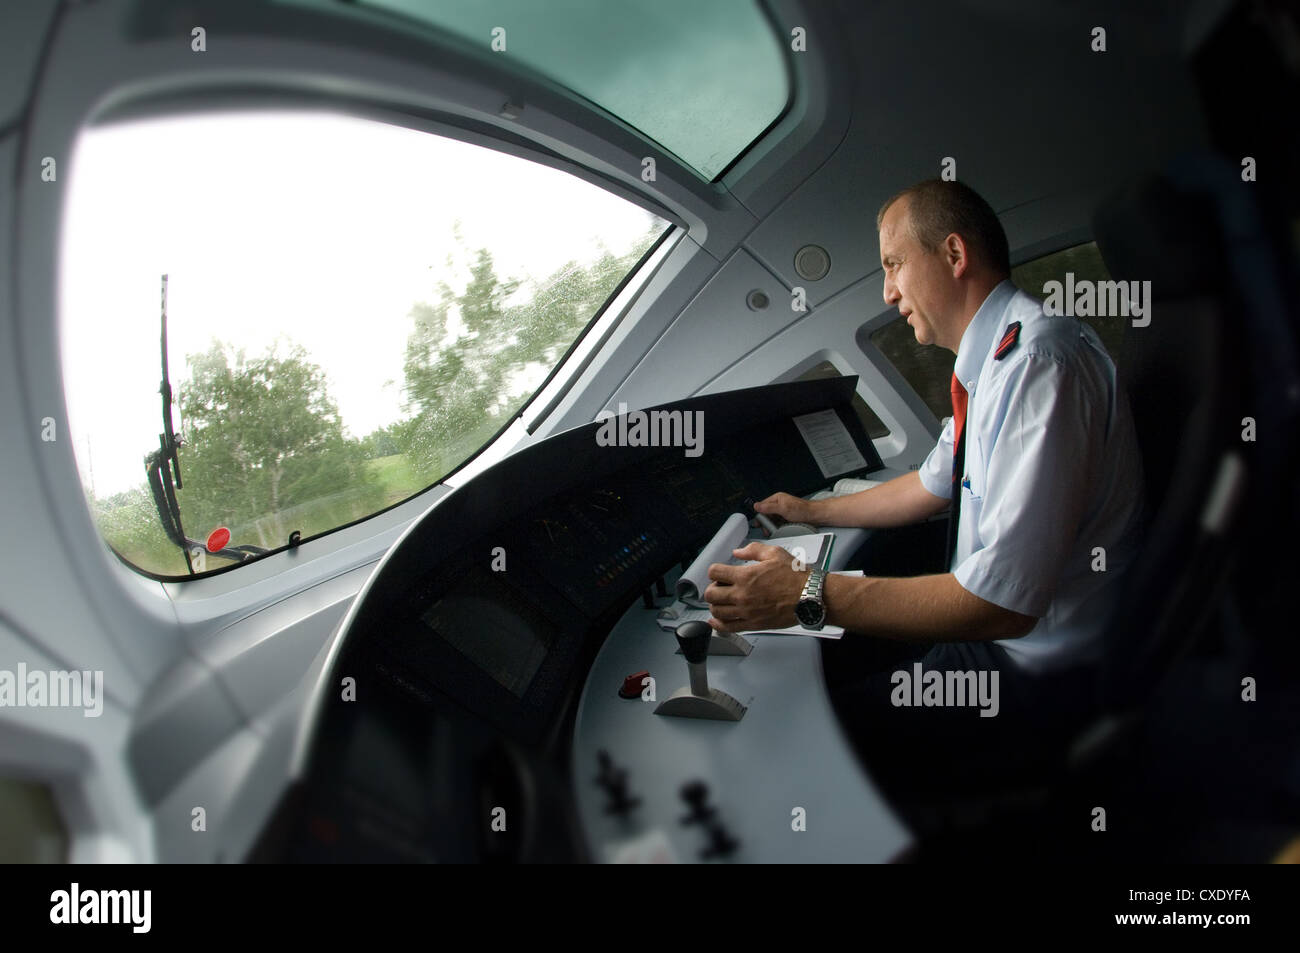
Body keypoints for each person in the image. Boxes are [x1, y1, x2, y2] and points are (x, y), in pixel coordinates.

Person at [703, 179, 1145, 797]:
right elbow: (928, 486)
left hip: (1036, 672)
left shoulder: (1038, 364)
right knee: (832, 680)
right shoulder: (991, 362)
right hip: (1002, 645)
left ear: (955, 256)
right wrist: (812, 510)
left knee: (797, 747)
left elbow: (1002, 607)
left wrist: (801, 594)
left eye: (893, 265)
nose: (887, 292)